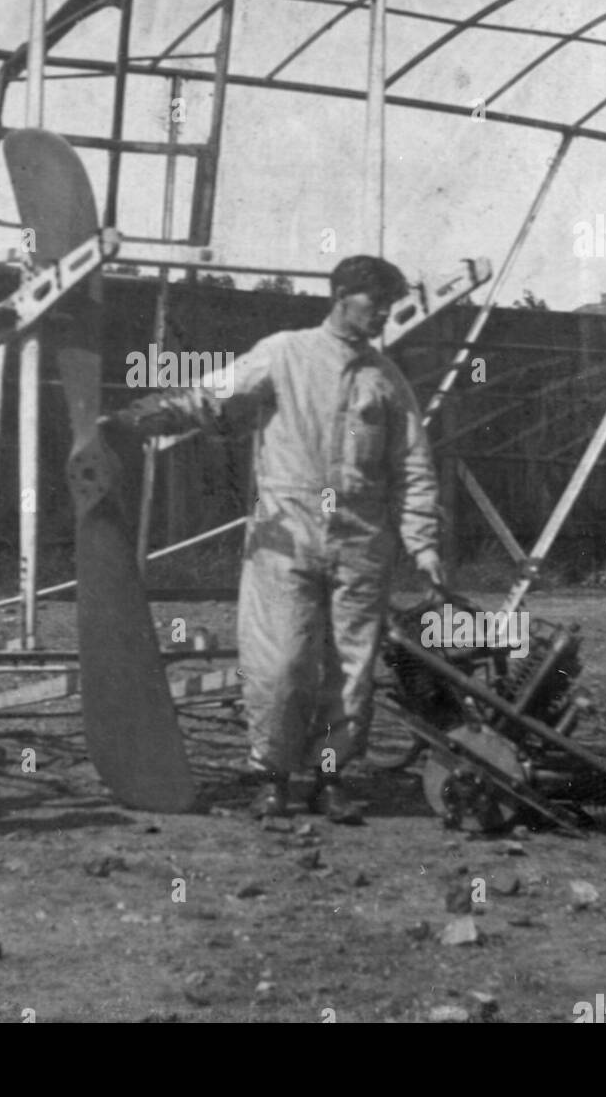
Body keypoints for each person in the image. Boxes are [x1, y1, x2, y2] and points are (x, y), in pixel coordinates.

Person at [103, 255, 446, 823]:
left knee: (351, 670)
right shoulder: (285, 352)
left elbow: (412, 467)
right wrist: (137, 420)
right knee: (281, 663)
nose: (384, 313)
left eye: (390, 304)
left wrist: (424, 544)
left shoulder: (386, 380)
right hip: (285, 534)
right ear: (340, 295)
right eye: (373, 301)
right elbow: (210, 399)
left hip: (361, 543)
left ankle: (332, 778)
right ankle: (273, 775)